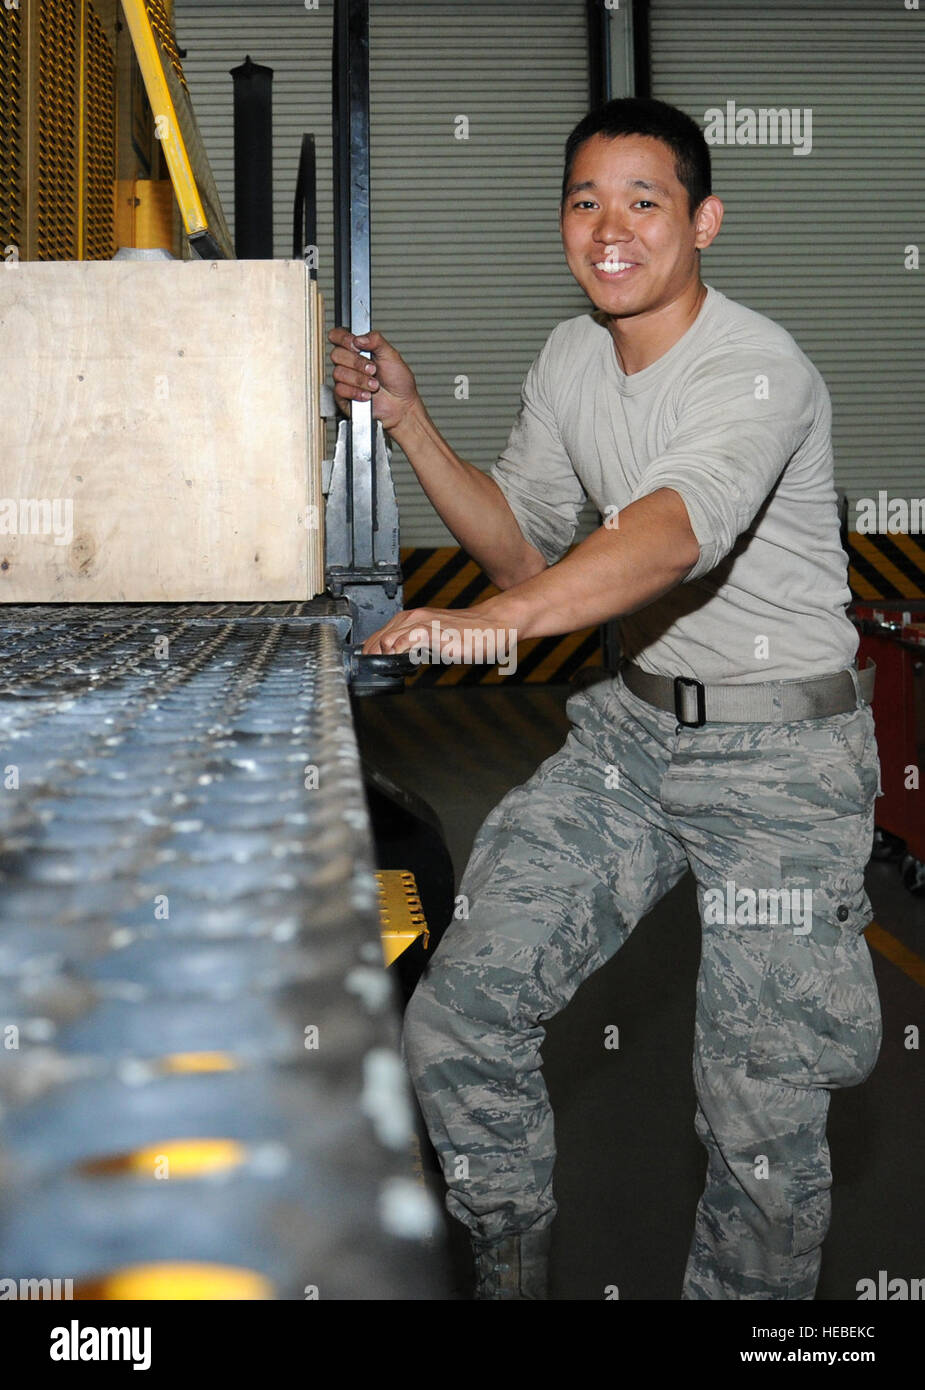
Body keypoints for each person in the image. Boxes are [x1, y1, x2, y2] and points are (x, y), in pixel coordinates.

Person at [328, 97, 882, 1301]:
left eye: (645, 199)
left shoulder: (754, 366)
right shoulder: (572, 355)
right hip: (634, 734)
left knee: (758, 1127)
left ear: (704, 220)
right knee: (456, 1019)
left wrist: (486, 630)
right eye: (585, 200)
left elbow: (674, 536)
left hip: (782, 764)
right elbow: (527, 553)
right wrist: (410, 418)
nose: (610, 225)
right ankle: (511, 1273)